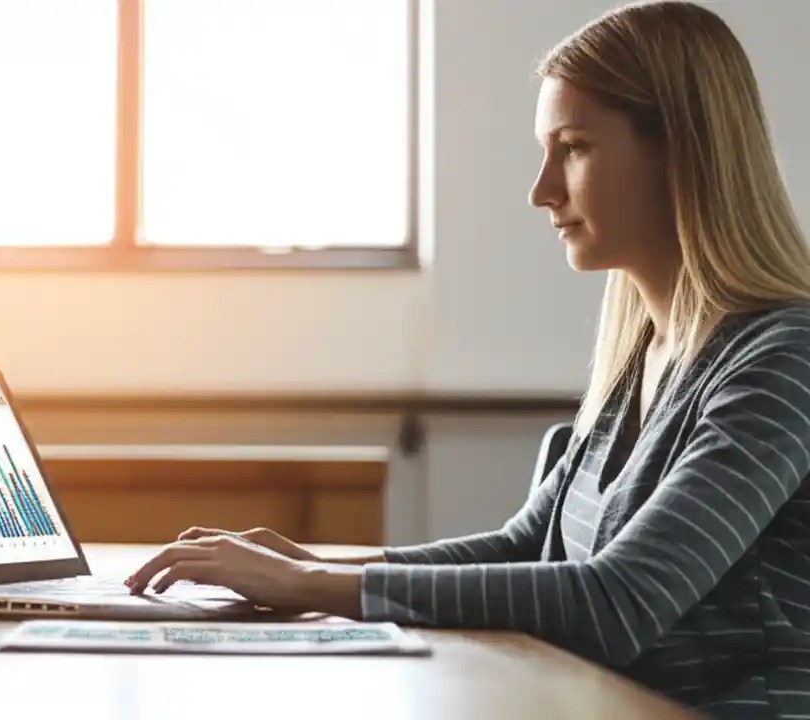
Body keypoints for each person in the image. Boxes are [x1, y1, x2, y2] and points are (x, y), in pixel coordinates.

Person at [123, 2, 810, 716]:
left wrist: (313, 588)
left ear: (679, 149)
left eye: (573, 147)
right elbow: (528, 544)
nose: (543, 190)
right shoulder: (647, 353)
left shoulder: (784, 362)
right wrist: (315, 565)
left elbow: (619, 600)